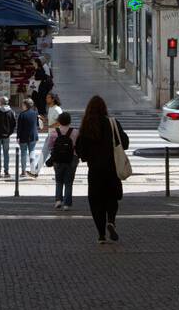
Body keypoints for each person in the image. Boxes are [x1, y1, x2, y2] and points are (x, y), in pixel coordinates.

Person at [75, 96, 129, 244]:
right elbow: (125, 143)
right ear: (104, 107)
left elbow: (82, 152)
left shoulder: (86, 125)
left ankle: (101, 235)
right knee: (112, 198)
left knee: (96, 202)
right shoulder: (112, 123)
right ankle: (111, 221)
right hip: (112, 169)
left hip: (95, 171)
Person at [43, 110, 79, 209]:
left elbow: (50, 146)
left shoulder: (55, 132)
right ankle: (67, 204)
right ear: (69, 121)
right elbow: (79, 145)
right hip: (72, 158)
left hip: (58, 159)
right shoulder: (75, 132)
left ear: (59, 121)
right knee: (69, 182)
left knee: (59, 181)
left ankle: (58, 200)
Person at [16, 97, 41, 178]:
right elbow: (37, 125)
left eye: (23, 105)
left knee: (23, 154)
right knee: (32, 153)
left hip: (23, 137)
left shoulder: (22, 115)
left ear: (26, 105)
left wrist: (18, 137)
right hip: (33, 136)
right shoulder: (35, 114)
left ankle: (23, 171)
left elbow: (19, 127)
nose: (22, 106)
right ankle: (33, 170)